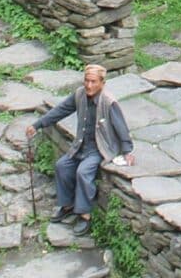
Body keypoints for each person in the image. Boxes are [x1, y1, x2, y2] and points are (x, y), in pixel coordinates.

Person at [26, 63, 134, 235]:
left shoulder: (108, 102)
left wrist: (127, 150)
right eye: (86, 81)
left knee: (83, 172)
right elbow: (60, 110)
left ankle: (84, 215)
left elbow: (121, 127)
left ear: (102, 83)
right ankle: (68, 205)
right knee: (62, 166)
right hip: (81, 145)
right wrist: (38, 124)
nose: (89, 85)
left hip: (100, 148)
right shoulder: (80, 94)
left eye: (93, 82)